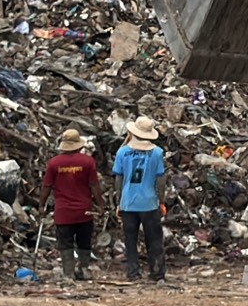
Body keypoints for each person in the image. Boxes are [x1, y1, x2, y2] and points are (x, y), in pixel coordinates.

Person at [39, 128, 100, 282]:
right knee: (84, 241)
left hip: (63, 211)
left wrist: (41, 205)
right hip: (84, 210)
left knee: (66, 243)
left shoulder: (54, 163)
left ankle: (68, 273)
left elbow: (46, 186)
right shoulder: (87, 162)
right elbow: (94, 185)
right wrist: (100, 204)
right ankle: (83, 269)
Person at [113, 115, 167, 282]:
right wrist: (162, 201)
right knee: (154, 240)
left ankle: (133, 273)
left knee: (130, 240)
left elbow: (118, 180)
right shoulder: (157, 152)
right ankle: (157, 272)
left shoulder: (122, 152)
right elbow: (160, 180)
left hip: (128, 203)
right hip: (149, 203)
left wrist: (119, 202)